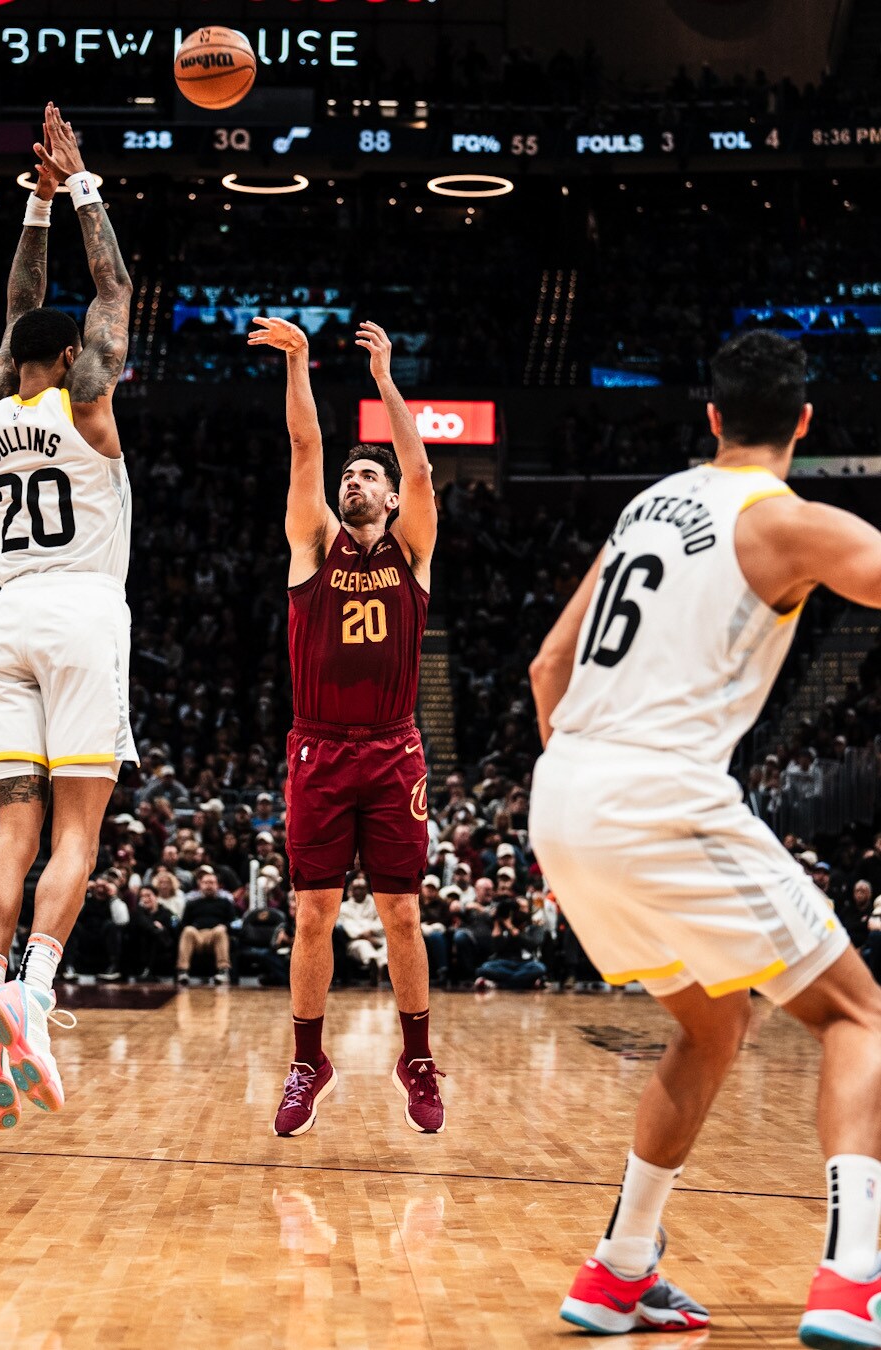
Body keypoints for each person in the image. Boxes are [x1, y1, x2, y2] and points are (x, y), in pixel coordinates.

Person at [528, 331, 881, 1345]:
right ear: (804, 424)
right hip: (655, 794)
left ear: (713, 418)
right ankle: (854, 1278)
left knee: (716, 1023)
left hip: (564, 795)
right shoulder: (785, 524)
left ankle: (618, 1271)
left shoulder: (648, 506)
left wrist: (594, 801)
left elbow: (549, 669)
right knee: (859, 1017)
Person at [0, 103, 136, 1131]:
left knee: (8, 832)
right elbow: (111, 285)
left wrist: (29, 214)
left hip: (5, 619)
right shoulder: (87, 397)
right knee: (78, 831)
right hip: (78, 617)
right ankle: (33, 992)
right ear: (71, 359)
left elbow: (17, 310)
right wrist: (79, 184)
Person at [248, 315, 444, 1138]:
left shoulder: (414, 548)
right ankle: (307, 1060)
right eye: (352, 475)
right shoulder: (312, 546)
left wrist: (387, 384)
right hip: (319, 748)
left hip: (395, 749)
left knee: (402, 914)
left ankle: (418, 1057)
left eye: (370, 475)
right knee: (313, 912)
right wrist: (299, 367)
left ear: (392, 498)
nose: (356, 481)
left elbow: (422, 466)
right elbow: (303, 453)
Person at [176, 869, 237, 986]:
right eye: (206, 883)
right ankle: (183, 971)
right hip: (196, 936)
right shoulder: (192, 903)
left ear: (217, 885)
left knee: (220, 930)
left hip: (216, 936)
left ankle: (223, 971)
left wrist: (225, 927)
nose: (209, 886)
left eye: (212, 883)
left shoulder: (225, 902)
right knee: (188, 930)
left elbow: (234, 922)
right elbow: (184, 923)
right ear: (200, 885)